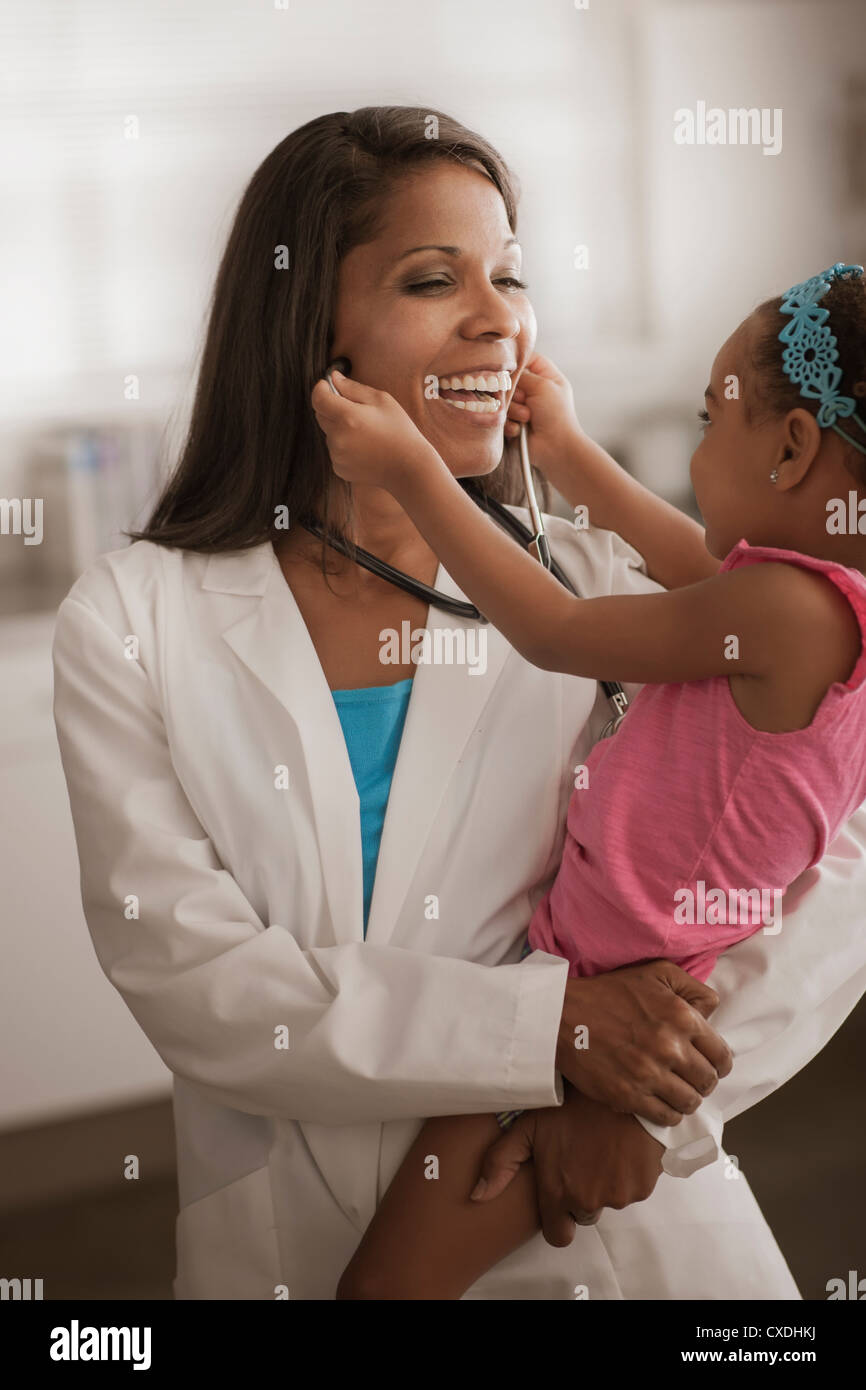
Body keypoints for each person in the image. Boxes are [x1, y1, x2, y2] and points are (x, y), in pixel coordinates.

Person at [51, 108, 866, 1300]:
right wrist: (557, 1033)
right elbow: (194, 979)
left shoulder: (595, 584)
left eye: (509, 274)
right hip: (289, 1225)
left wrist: (635, 1109)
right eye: (434, 280)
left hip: (605, 1221)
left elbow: (822, 874)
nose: (500, 318)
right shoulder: (131, 621)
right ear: (306, 329)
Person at [318, 262, 866, 1298]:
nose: (695, 451)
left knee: (380, 1289)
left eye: (711, 420)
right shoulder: (809, 606)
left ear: (790, 449)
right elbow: (673, 551)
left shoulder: (786, 615)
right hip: (614, 976)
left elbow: (554, 627)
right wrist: (563, 448)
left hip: (604, 993)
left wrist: (411, 473)